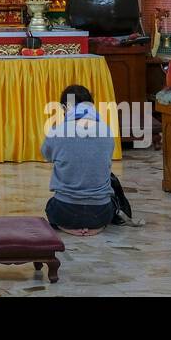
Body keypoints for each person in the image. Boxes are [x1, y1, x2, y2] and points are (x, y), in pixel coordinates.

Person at [41, 84, 116, 236]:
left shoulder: (57, 130)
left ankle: (67, 227)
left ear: (64, 108)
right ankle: (96, 227)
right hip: (101, 213)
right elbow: (106, 159)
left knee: (50, 206)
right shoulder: (106, 130)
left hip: (64, 211)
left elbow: (46, 155)